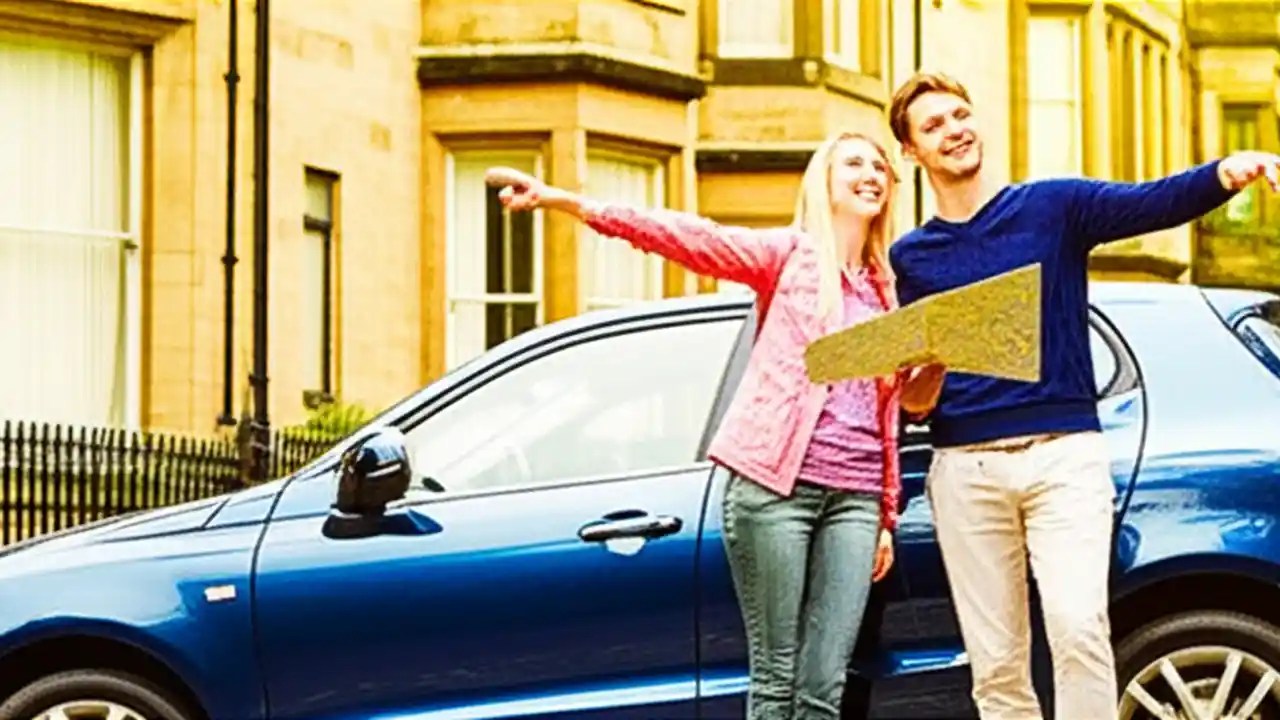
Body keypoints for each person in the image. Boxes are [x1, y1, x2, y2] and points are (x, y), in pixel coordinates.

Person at [486, 131, 946, 720]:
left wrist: (886, 509)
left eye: (881, 166)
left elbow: (899, 412)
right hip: (776, 492)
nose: (872, 173)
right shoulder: (788, 257)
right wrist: (564, 201)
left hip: (855, 501)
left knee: (824, 685)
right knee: (777, 678)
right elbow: (685, 237)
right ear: (823, 181)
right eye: (854, 162)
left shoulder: (888, 291)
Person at [884, 71, 1280, 720]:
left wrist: (1225, 173)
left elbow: (1151, 201)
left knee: (1077, 629)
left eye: (960, 114)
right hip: (967, 471)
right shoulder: (914, 258)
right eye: (934, 126)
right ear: (911, 152)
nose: (954, 130)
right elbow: (918, 402)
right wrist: (922, 379)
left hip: (1062, 459)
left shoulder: (1052, 209)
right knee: (997, 660)